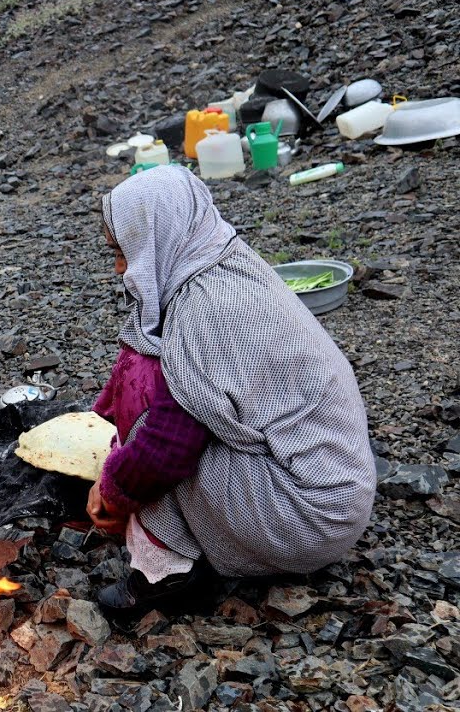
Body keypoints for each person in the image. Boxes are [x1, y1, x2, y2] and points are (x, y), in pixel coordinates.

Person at [85, 165, 376, 614]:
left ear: (161, 234)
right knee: (161, 398)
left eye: (124, 251)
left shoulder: (209, 308)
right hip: (337, 490)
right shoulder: (221, 259)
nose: (121, 268)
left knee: (147, 405)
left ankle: (166, 572)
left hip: (312, 517)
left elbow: (167, 447)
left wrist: (112, 487)